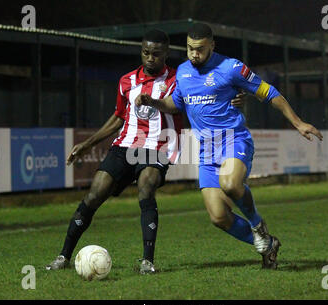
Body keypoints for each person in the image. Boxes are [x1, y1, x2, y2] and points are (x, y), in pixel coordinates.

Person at [46, 29, 246, 274]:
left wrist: (234, 99)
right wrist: (87, 144)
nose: (151, 58)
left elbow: (207, 93)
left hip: (159, 144)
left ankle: (147, 262)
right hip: (125, 145)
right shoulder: (126, 81)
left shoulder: (180, 78)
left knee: (146, 185)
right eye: (146, 53)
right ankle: (63, 255)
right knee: (95, 192)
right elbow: (119, 117)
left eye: (157, 54)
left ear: (166, 54)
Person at [135, 23, 323, 269]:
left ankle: (257, 223)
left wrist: (297, 123)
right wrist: (155, 102)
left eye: (200, 49)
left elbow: (268, 91)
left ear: (212, 45)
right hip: (205, 151)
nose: (194, 54)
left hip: (234, 139)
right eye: (190, 49)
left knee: (231, 183)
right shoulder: (182, 72)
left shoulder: (231, 68)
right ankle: (268, 244)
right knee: (218, 216)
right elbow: (176, 103)